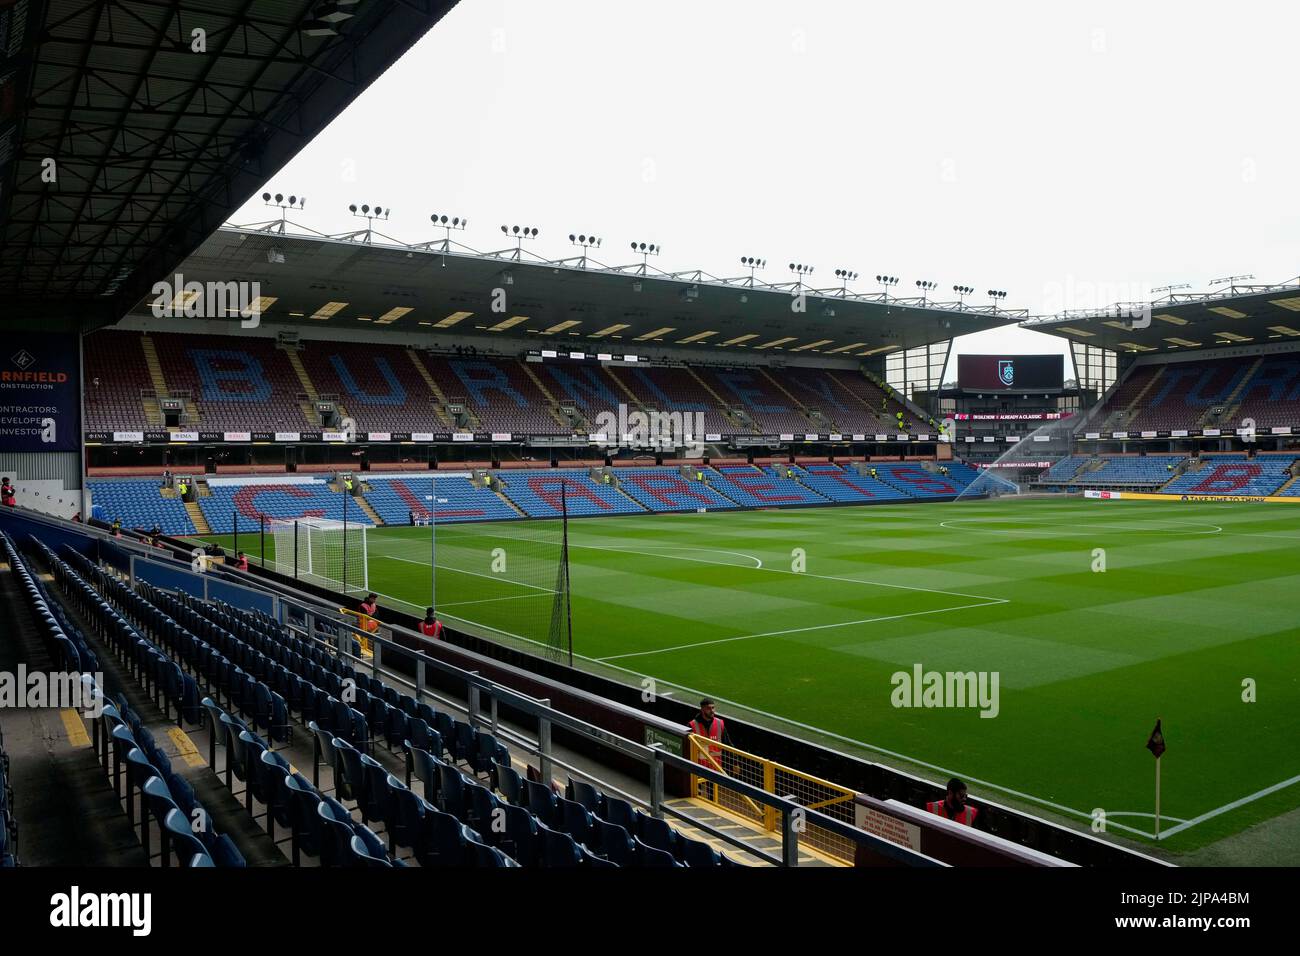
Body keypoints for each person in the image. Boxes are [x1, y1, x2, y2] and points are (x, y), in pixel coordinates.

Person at [687, 698, 733, 798]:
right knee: (695, 794)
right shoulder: (692, 725)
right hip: (697, 766)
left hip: (714, 766)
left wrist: (736, 763)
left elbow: (728, 744)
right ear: (702, 709)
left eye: (713, 708)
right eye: (709, 708)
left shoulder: (719, 724)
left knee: (713, 796)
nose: (712, 711)